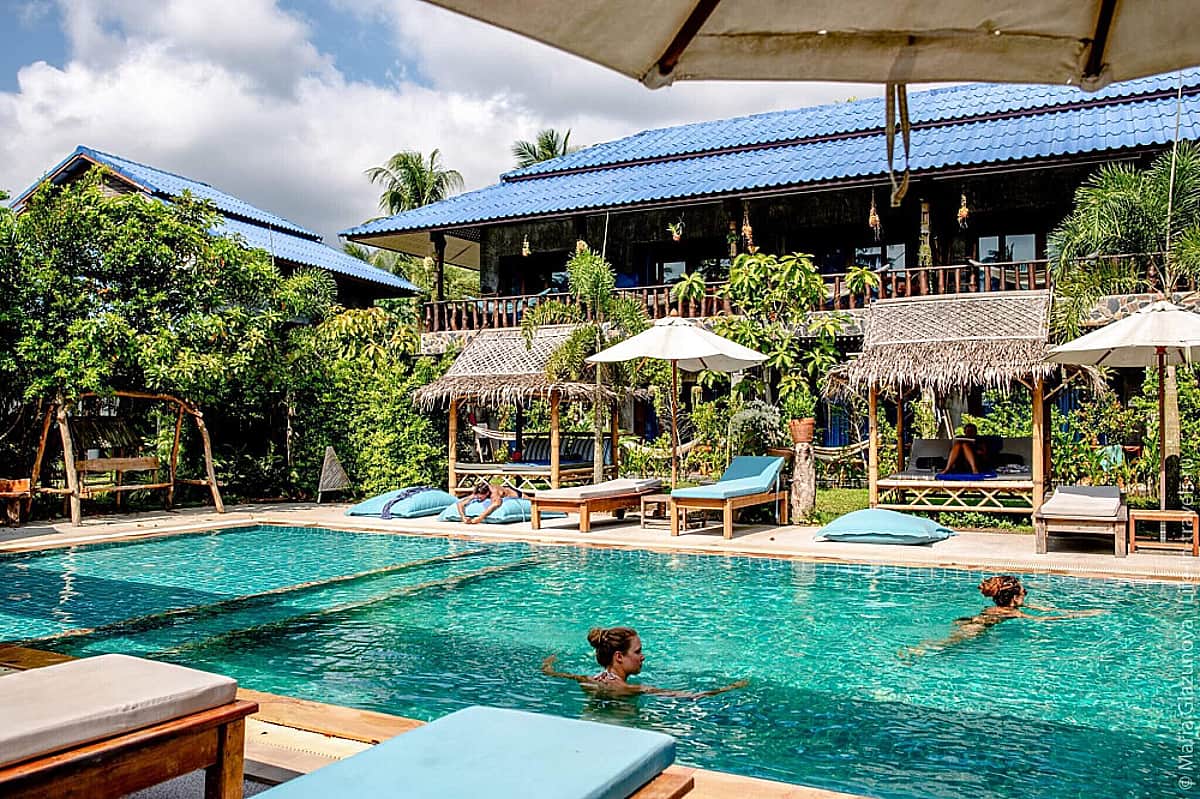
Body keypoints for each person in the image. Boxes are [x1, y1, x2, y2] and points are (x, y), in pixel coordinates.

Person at [902, 575, 1103, 657]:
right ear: (1015, 598)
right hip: (975, 629)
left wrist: (1070, 611)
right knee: (947, 644)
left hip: (970, 620)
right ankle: (916, 650)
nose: (1026, 594)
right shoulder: (1013, 612)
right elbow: (1041, 620)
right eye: (1024, 592)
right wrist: (1074, 617)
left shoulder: (1004, 607)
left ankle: (918, 648)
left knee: (949, 640)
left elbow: (1043, 610)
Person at [541, 626, 748, 698]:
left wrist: (549, 662)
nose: (643, 656)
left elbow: (552, 673)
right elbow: (692, 696)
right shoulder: (629, 689)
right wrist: (732, 687)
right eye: (638, 651)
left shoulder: (589, 680)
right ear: (619, 657)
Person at [455, 481, 523, 524]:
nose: (478, 499)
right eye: (477, 497)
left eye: (480, 497)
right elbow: (460, 504)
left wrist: (480, 518)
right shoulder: (477, 492)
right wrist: (463, 517)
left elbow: (496, 504)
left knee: (529, 499)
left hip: (514, 493)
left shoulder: (494, 492)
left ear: (487, 493)